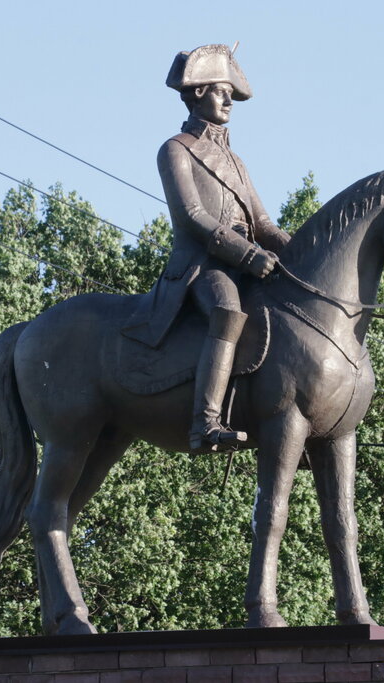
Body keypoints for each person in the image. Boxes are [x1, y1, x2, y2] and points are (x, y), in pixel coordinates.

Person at [124, 44, 290, 453]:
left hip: (242, 262)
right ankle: (206, 423)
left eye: (230, 92)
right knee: (228, 311)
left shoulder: (235, 160)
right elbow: (193, 217)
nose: (229, 99)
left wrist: (298, 250)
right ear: (198, 94)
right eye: (220, 91)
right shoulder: (176, 149)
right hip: (203, 265)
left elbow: (264, 224)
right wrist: (248, 255)